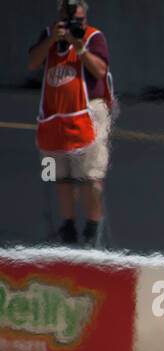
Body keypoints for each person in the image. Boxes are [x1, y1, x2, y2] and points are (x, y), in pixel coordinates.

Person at [26, 1, 113, 246]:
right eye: (68, 18)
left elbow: (100, 71)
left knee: (90, 175)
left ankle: (92, 231)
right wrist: (52, 40)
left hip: (88, 113)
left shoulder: (93, 36)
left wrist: (80, 47)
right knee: (61, 175)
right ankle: (67, 228)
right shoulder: (48, 35)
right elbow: (33, 62)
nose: (74, 23)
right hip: (56, 116)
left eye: (78, 18)